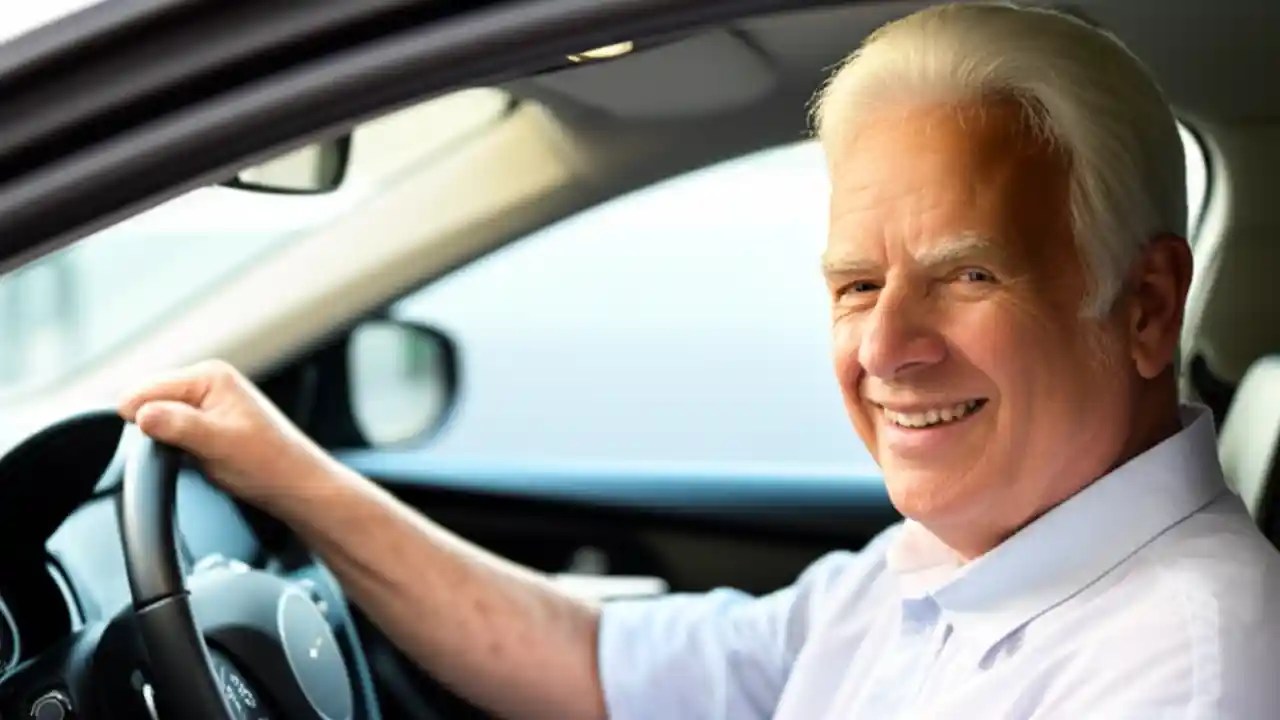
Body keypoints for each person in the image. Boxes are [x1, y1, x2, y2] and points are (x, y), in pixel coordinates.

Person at [118, 3, 1280, 718]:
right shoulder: (932, 571)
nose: (884, 346)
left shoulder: (1180, 669)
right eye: (855, 285)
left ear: (1141, 308)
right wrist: (297, 481)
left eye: (967, 274)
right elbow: (601, 669)